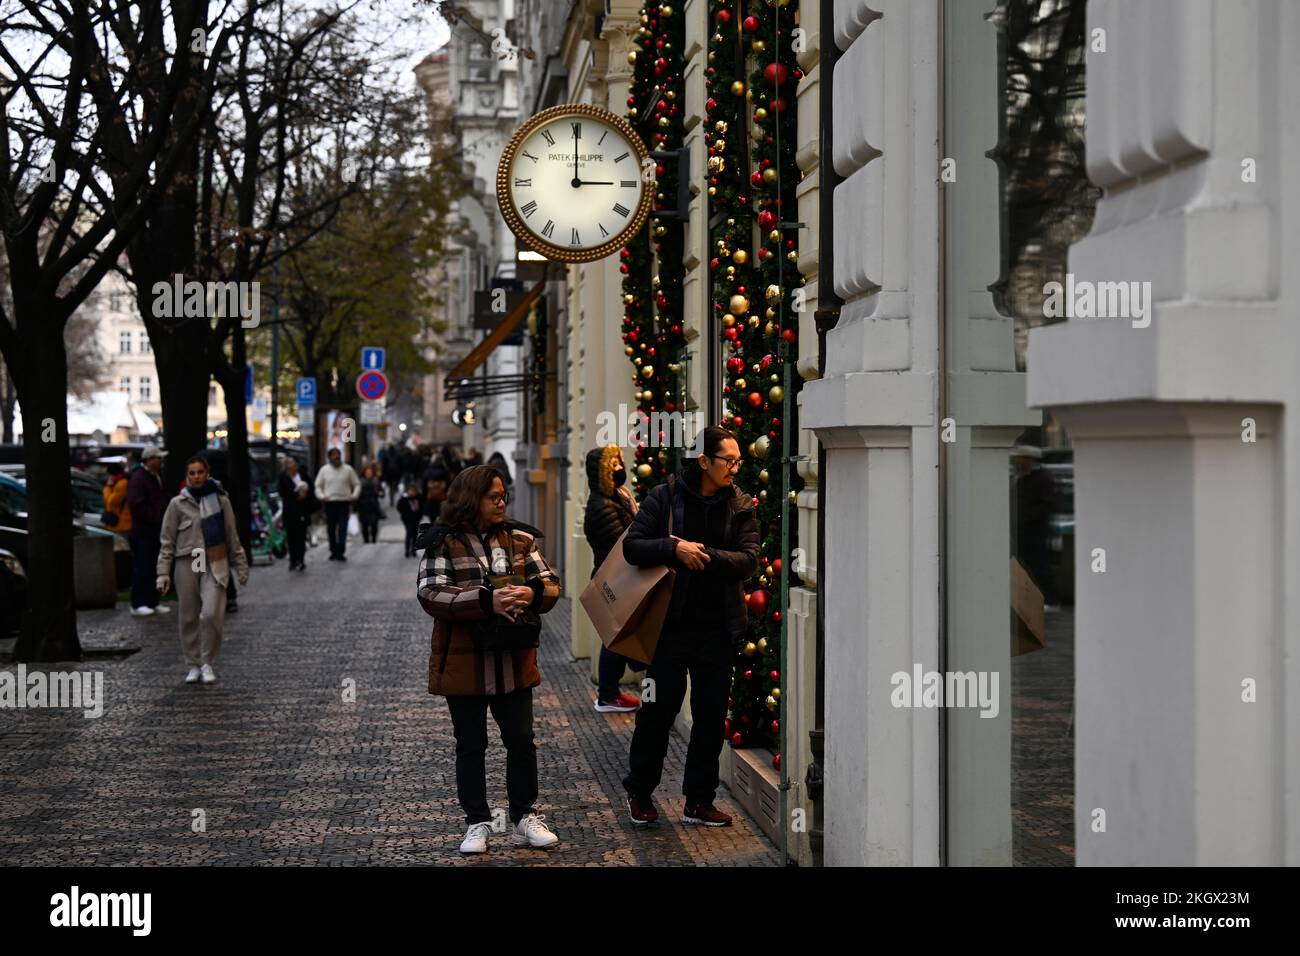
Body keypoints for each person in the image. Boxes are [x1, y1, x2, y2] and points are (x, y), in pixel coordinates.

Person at [417, 465, 562, 855]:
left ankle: (523, 818)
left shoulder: (520, 538)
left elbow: (551, 583)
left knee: (521, 740)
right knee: (470, 744)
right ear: (471, 499)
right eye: (493, 497)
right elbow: (430, 593)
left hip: (514, 659)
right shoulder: (442, 542)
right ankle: (476, 823)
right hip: (465, 662)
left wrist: (531, 593)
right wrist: (486, 601)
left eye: (503, 496)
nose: (501, 502)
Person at [620, 426, 758, 828]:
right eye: (728, 460)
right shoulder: (665, 497)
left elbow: (748, 559)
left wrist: (704, 555)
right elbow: (632, 546)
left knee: (710, 718)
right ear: (704, 461)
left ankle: (699, 800)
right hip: (668, 629)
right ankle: (640, 791)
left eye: (738, 461)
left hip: (719, 628)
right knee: (656, 712)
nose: (735, 467)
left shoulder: (742, 504)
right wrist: (672, 547)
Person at [156, 454, 250, 684]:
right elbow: (167, 540)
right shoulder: (177, 504)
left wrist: (241, 565)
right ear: (187, 476)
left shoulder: (221, 500)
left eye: (200, 472)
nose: (197, 477)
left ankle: (208, 662)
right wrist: (162, 572)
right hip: (188, 560)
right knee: (188, 614)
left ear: (207, 473)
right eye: (192, 473)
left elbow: (231, 535)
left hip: (214, 560)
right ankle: (193, 664)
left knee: (211, 614)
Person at [583, 445, 642, 713]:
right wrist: (633, 509)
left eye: (620, 462)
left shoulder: (612, 499)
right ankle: (607, 695)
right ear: (602, 473)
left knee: (619, 636)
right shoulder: (602, 506)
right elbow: (626, 544)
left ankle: (610, 692)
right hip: (614, 580)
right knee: (617, 638)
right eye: (614, 465)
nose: (620, 468)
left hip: (616, 578)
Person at [125, 445, 171, 617]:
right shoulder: (139, 479)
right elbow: (137, 505)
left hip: (153, 531)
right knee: (143, 567)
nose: (160, 461)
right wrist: (156, 517)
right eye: (157, 458)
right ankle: (138, 602)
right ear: (150, 460)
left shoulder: (154, 477)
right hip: (143, 532)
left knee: (153, 567)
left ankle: (152, 600)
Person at [1013, 445, 1058, 608]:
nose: (1018, 460)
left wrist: (1025, 517)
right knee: (1029, 564)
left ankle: (1051, 599)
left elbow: (1047, 505)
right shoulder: (1023, 476)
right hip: (1026, 528)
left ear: (1030, 459)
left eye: (1021, 458)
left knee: (1039, 565)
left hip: (1035, 529)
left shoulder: (1042, 478)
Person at [314, 447, 360, 561]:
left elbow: (357, 484)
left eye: (337, 455)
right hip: (330, 503)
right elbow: (318, 486)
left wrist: (354, 495)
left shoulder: (348, 470)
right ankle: (333, 550)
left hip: (344, 502)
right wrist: (321, 496)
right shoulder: (324, 470)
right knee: (331, 529)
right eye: (333, 455)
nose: (336, 457)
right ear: (329, 457)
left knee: (342, 528)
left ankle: (341, 551)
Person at [278, 457, 311, 571]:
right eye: (289, 462)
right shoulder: (283, 478)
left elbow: (311, 487)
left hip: (302, 511)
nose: (291, 464)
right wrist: (296, 495)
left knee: (301, 536)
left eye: (293, 462)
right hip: (290, 512)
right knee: (291, 537)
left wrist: (305, 495)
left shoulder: (303, 475)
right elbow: (283, 493)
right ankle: (293, 560)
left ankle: (301, 559)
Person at [357, 464, 385, 544]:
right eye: (367, 472)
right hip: (363, 506)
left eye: (370, 472)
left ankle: (373, 540)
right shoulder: (360, 481)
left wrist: (380, 493)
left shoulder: (376, 480)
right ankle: (366, 540)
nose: (369, 473)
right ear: (364, 473)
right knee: (364, 525)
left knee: (374, 525)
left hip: (373, 505)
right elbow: (357, 494)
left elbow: (382, 492)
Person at [102, 462, 132, 534]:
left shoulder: (122, 484)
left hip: (121, 524)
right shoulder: (119, 482)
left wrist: (107, 487)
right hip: (120, 523)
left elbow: (110, 502)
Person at [397, 483, 424, 558]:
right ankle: (407, 550)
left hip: (416, 519)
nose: (412, 493)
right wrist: (404, 514)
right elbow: (399, 507)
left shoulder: (419, 497)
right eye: (410, 491)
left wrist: (420, 514)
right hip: (407, 519)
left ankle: (413, 550)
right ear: (408, 491)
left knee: (415, 534)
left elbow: (422, 506)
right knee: (409, 533)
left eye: (414, 491)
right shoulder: (404, 498)